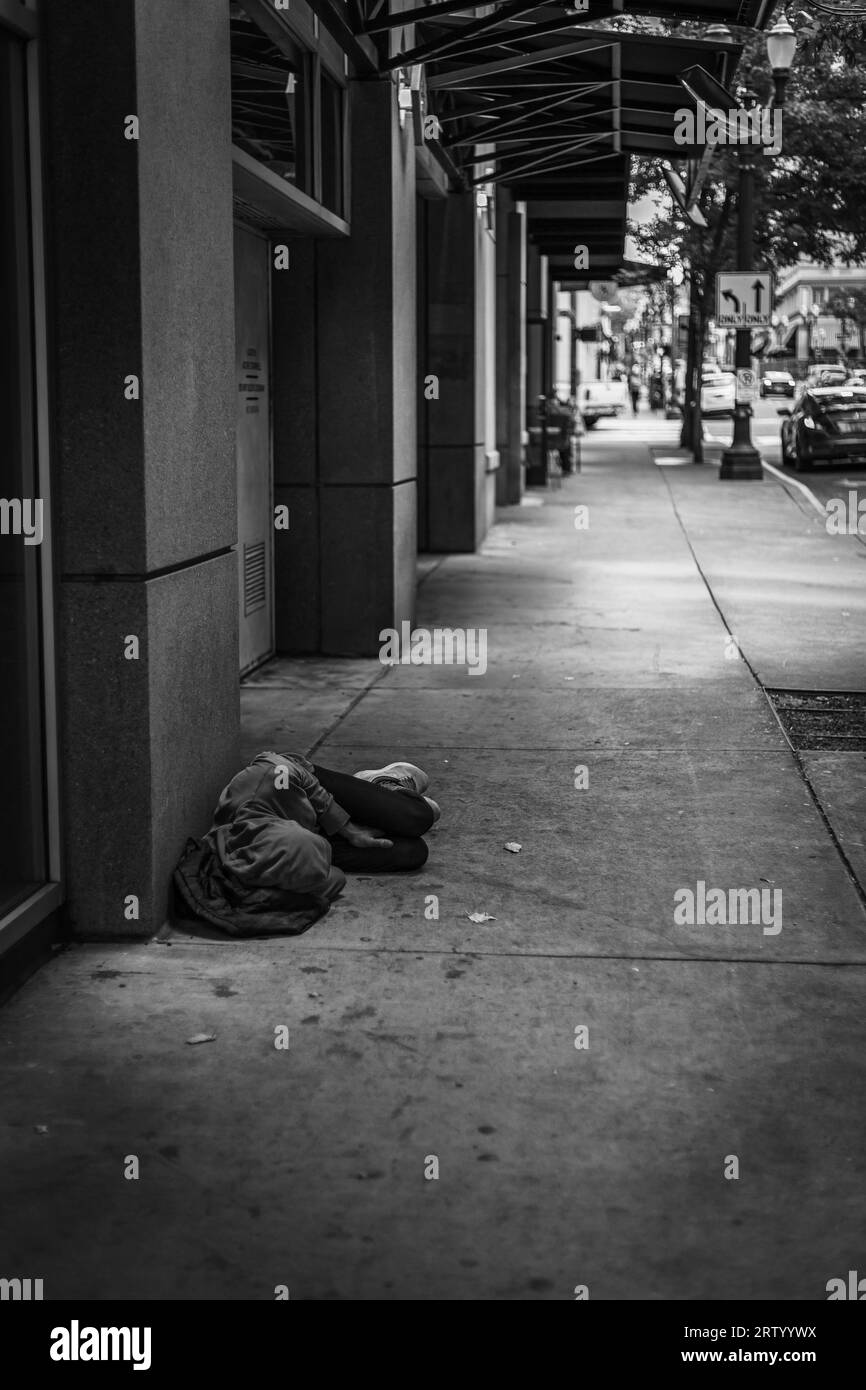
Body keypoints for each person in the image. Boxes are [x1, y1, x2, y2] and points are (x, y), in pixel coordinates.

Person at [174, 753, 438, 937]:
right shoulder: (273, 861)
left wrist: (346, 828)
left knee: (421, 815)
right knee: (412, 852)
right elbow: (333, 879)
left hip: (314, 792)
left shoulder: (263, 784)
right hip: (308, 837)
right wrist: (320, 848)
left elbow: (278, 761)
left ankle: (376, 782)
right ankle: (372, 808)